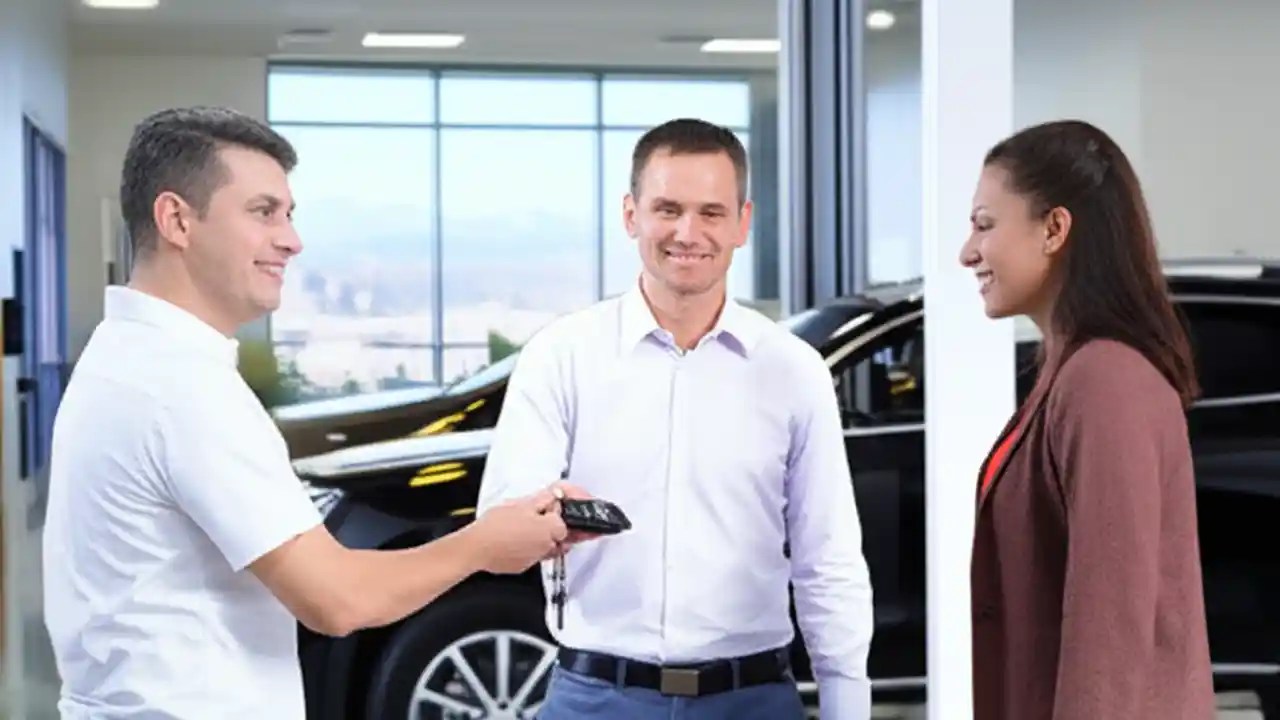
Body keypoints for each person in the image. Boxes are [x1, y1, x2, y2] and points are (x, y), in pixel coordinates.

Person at [41, 106, 577, 720]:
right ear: (176, 220)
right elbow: (337, 599)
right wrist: (484, 544)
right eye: (263, 212)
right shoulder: (180, 388)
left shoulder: (124, 356)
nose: (291, 240)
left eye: (288, 215)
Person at [477, 118, 874, 720]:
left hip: (754, 702)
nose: (688, 233)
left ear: (743, 222)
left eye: (711, 213)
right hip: (595, 699)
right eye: (668, 208)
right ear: (631, 214)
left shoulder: (795, 370)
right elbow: (498, 533)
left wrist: (849, 707)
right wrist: (542, 520)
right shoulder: (561, 356)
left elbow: (829, 558)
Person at [961, 119, 1215, 719]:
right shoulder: (1075, 371)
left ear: (1054, 229)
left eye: (985, 224)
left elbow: (1111, 635)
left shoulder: (1105, 381)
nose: (968, 251)